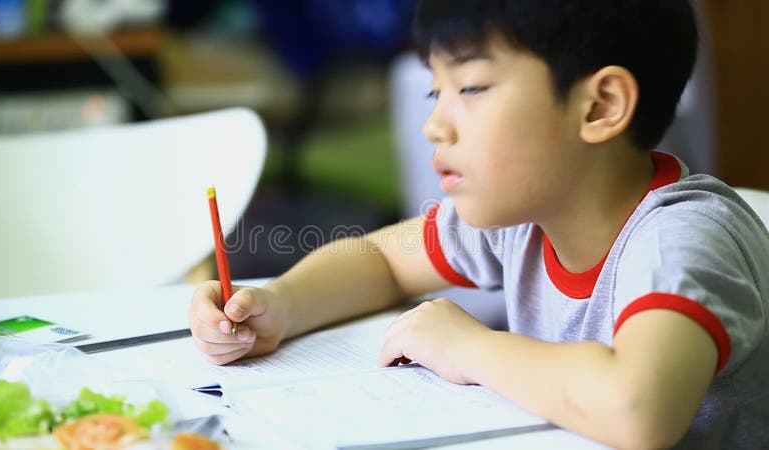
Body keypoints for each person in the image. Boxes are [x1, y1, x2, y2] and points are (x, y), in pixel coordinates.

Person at [188, 1, 769, 448]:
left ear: (599, 106)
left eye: (471, 88)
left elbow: (637, 410)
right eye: (436, 91)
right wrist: (280, 305)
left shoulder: (680, 239)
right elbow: (381, 259)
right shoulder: (526, 217)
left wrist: (468, 348)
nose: (434, 126)